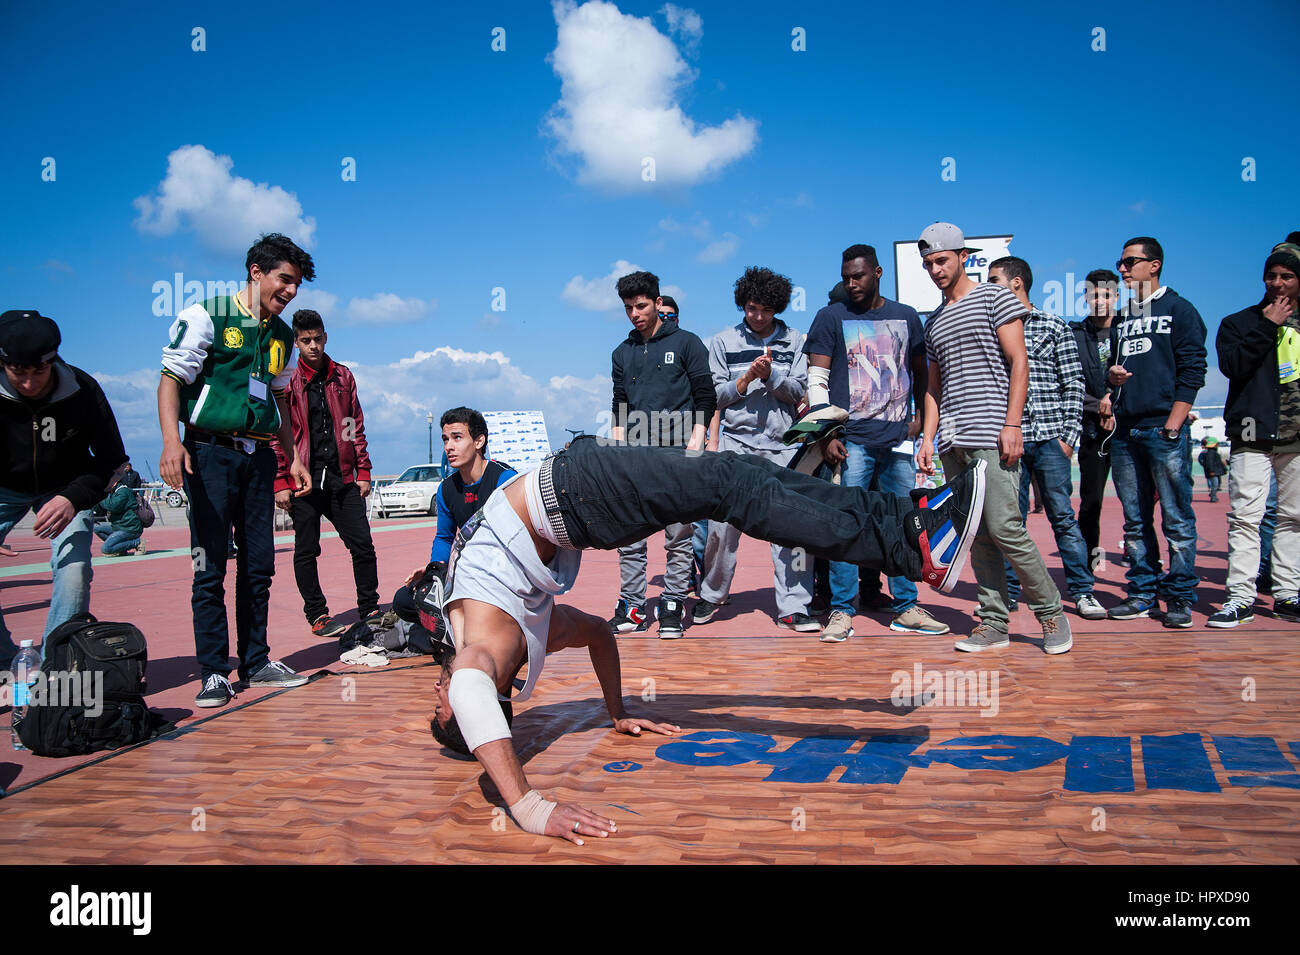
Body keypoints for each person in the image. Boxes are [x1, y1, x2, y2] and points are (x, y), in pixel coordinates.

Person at [428, 435, 987, 842]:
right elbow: (474, 693)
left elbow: (600, 635)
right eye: (442, 708)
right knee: (730, 484)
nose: (439, 692)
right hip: (577, 491)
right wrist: (527, 806)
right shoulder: (485, 652)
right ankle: (913, 543)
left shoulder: (532, 633)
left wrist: (616, 711)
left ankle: (908, 520)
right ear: (468, 714)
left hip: (576, 494)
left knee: (736, 476)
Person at [158, 233, 315, 708]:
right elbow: (170, 380)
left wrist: (295, 458)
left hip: (259, 456)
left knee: (259, 565)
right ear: (256, 272)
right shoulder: (206, 315)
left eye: (296, 285)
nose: (289, 292)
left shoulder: (284, 336)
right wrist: (171, 442)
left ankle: (257, 660)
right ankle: (213, 671)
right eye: (283, 280)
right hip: (208, 453)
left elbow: (280, 401)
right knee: (209, 565)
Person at [915, 223, 1071, 654]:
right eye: (928, 263)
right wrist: (927, 439)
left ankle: (1050, 613)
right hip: (952, 441)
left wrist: (1012, 424)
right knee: (977, 533)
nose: (935, 269)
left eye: (942, 260)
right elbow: (933, 388)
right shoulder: (935, 321)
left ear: (963, 256)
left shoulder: (995, 298)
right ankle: (994, 623)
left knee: (1006, 527)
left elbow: (1018, 360)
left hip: (993, 433)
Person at [804, 244, 947, 642]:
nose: (851, 283)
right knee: (846, 525)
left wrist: (919, 416)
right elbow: (816, 381)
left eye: (859, 276)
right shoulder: (830, 317)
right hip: (852, 441)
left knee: (904, 524)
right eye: (846, 276)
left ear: (878, 272)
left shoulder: (905, 317)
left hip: (898, 440)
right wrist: (828, 433)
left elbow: (921, 373)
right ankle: (841, 609)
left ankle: (907, 607)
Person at [692, 266, 819, 633]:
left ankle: (794, 607)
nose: (758, 316)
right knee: (721, 528)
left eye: (765, 309)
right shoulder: (721, 342)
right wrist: (746, 379)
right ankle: (712, 596)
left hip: (783, 448)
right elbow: (714, 396)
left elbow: (800, 392)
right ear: (742, 305)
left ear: (777, 307)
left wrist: (772, 376)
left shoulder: (797, 340)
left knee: (790, 528)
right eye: (751, 308)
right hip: (736, 447)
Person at [0, 310, 128, 667]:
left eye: (38, 371)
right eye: (17, 373)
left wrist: (73, 497)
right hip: (4, 489)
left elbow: (111, 458)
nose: (28, 384)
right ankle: (6, 662)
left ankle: (55, 666)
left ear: (53, 360)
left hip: (65, 485)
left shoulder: (82, 389)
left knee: (74, 570)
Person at [986, 257, 1103, 619]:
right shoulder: (992, 328)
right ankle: (1009, 592)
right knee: (1009, 521)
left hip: (1051, 439)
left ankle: (1082, 591)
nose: (988, 288)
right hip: (1010, 441)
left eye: (994, 281)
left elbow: (1073, 383)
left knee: (1063, 518)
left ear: (1017, 283)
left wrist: (1067, 437)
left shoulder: (1053, 326)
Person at [1104, 236, 1208, 628]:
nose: (1123, 269)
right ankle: (1143, 592)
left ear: (1155, 265)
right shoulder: (1124, 315)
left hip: (1164, 430)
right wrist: (1111, 379)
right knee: (1134, 521)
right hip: (1127, 433)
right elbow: (1112, 371)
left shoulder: (1180, 310)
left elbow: (1193, 369)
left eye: (1131, 262)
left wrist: (1173, 425)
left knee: (1177, 520)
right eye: (1121, 262)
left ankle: (1179, 597)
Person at [607, 271, 716, 638]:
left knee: (679, 535)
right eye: (628, 308)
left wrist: (696, 442)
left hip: (678, 453)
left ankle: (671, 605)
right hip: (636, 455)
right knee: (631, 537)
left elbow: (705, 396)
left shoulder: (687, 343)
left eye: (640, 306)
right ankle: (632, 607)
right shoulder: (622, 353)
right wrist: (617, 451)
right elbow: (619, 404)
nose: (635, 313)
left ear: (657, 303)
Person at [271, 308, 379, 638]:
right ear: (296, 342)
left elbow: (354, 425)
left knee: (362, 544)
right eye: (305, 341)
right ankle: (318, 614)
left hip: (342, 476)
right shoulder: (285, 379)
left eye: (318, 339)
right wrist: (280, 481)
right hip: (301, 479)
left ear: (326, 337)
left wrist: (363, 469)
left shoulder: (343, 377)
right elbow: (276, 431)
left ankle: (370, 608)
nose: (313, 346)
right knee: (307, 550)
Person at [1208, 242, 1300, 628]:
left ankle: (1287, 594)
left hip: (1296, 436)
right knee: (1246, 516)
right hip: (1251, 434)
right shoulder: (1239, 322)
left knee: (1293, 517)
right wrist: (1269, 324)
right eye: (1271, 276)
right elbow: (1234, 365)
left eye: (1287, 276)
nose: (1277, 283)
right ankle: (1240, 597)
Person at [392, 407, 516, 629]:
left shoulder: (504, 480)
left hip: (503, 574)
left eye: (457, 438)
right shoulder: (446, 489)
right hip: (466, 573)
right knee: (404, 600)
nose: (449, 446)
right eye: (445, 439)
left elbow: (518, 539)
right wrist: (435, 570)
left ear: (479, 442)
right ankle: (452, 629)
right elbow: (443, 537)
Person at [1072, 269, 1121, 570]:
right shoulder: (1076, 334)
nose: (1100, 301)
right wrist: (1099, 407)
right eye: (1094, 295)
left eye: (1106, 295)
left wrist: (1114, 404)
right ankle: (1089, 564)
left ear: (1116, 296)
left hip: (1128, 428)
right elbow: (1070, 382)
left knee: (1140, 503)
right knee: (1091, 503)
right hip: (1092, 429)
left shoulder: (1131, 329)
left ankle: (1146, 563)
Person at [94, 466, 145, 557]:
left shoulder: (123, 492)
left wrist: (100, 496)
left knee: (106, 549)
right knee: (97, 529)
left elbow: (112, 506)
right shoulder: (113, 491)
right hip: (118, 526)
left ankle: (137, 543)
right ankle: (121, 548)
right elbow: (101, 510)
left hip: (129, 528)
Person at [1198, 437, 1227, 502]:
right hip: (1212, 472)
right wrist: (1211, 471)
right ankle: (1213, 497)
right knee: (1215, 485)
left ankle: (1212, 494)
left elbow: (1218, 462)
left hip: (1215, 472)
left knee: (1216, 484)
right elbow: (1209, 463)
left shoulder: (1213, 452)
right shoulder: (1210, 453)